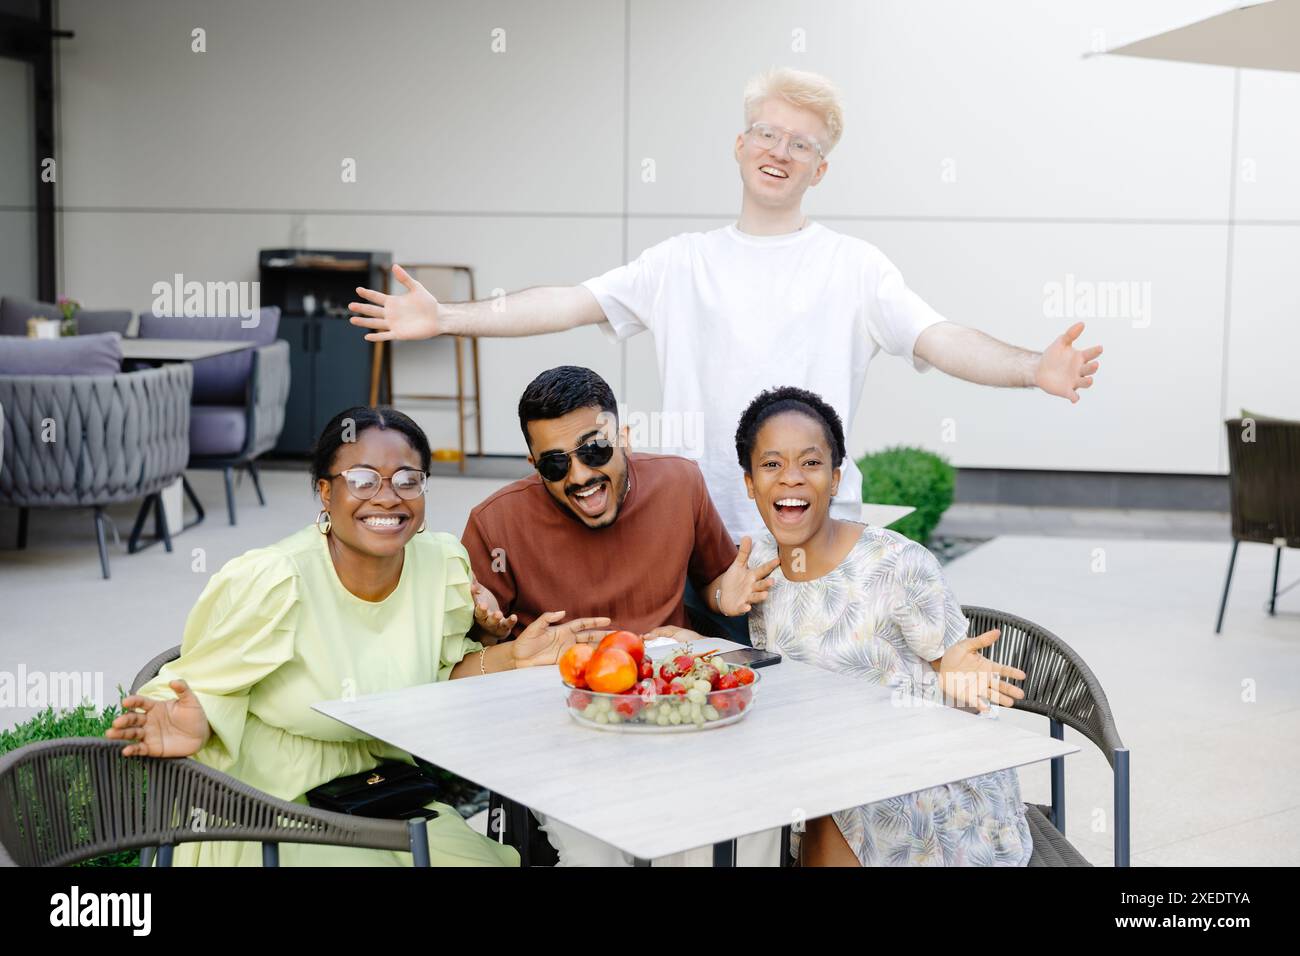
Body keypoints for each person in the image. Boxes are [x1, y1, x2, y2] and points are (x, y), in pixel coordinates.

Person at [348, 66, 1103, 548]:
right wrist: (447, 318)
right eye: (768, 133)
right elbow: (569, 302)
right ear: (740, 144)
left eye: (801, 145)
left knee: (816, 744)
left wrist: (1033, 366)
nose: (780, 150)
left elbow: (941, 339)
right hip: (694, 534)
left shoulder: (854, 266)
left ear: (821, 168)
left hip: (815, 537)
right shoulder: (681, 262)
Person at [106, 406, 610, 867]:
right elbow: (188, 687)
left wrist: (513, 656)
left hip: (381, 797)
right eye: (363, 480)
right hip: (268, 810)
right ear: (326, 493)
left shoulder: (441, 566)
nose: (388, 496)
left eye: (407, 479)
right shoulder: (275, 580)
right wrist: (194, 723)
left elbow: (440, 675)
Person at [735, 386, 1033, 866]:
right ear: (749, 483)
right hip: (823, 768)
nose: (791, 478)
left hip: (925, 783)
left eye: (810, 463)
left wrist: (956, 675)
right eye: (771, 465)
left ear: (835, 480)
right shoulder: (761, 568)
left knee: (830, 800)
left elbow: (957, 683)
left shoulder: (897, 563)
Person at [462, 365, 775, 644]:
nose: (581, 476)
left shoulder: (680, 482)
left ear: (623, 439)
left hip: (665, 680)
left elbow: (712, 583)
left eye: (595, 449)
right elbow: (478, 644)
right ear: (534, 465)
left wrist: (723, 596)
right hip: (554, 684)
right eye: (555, 464)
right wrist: (488, 629)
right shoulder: (494, 522)